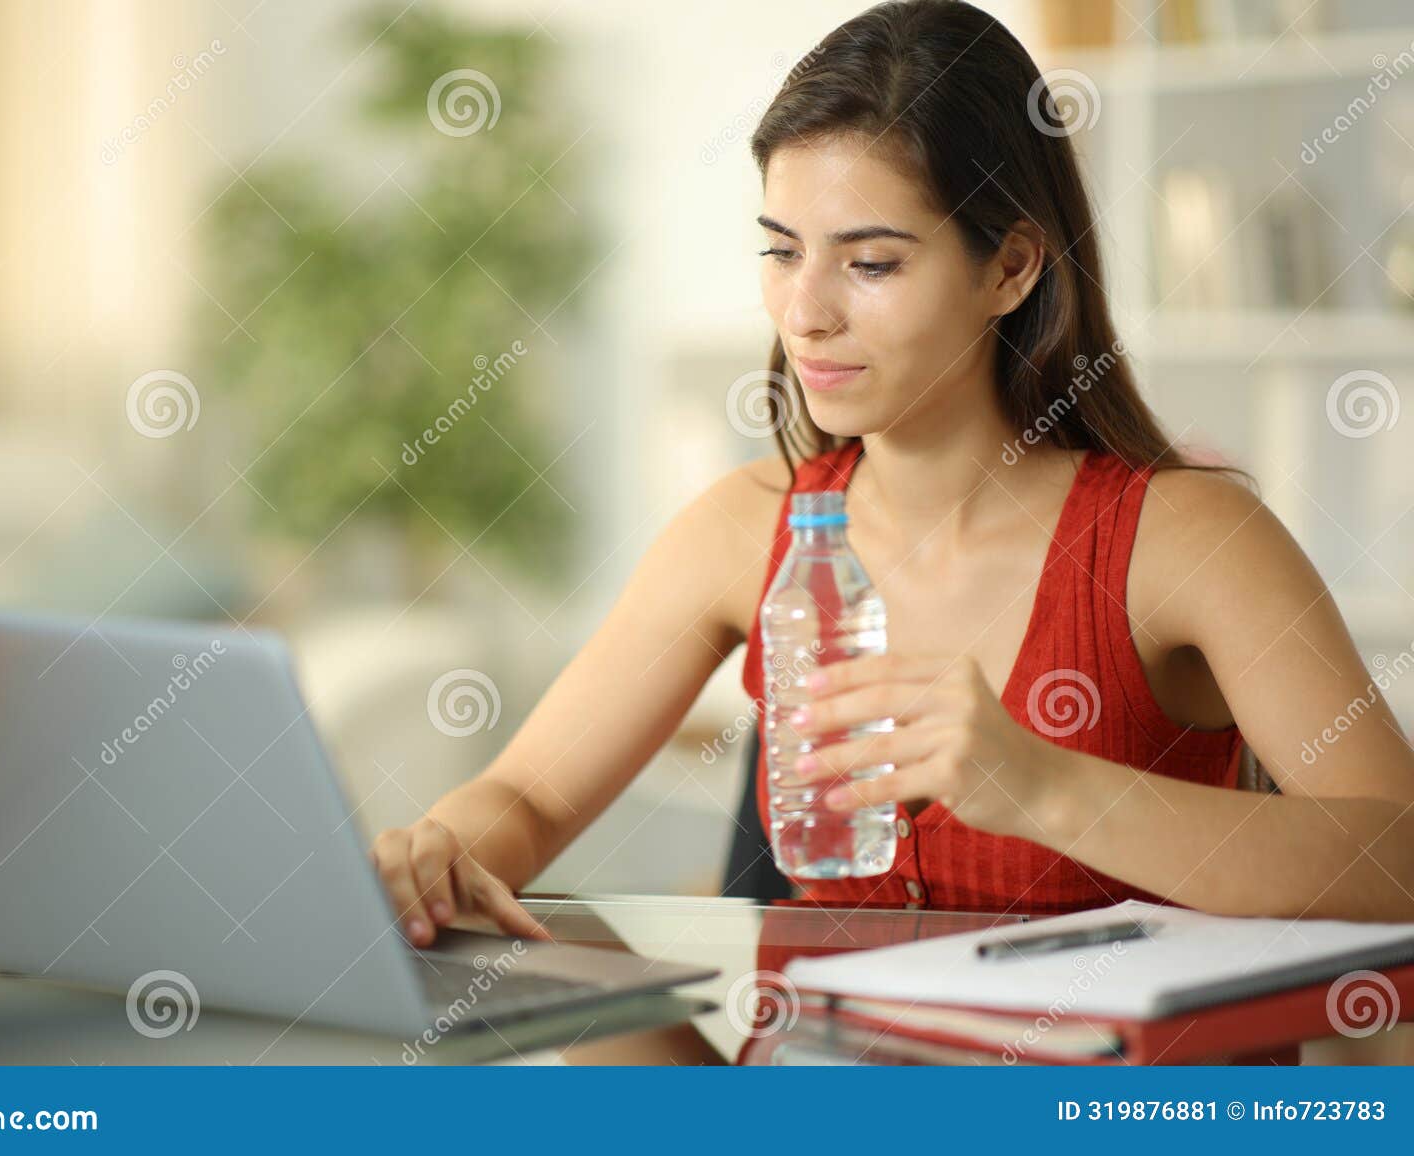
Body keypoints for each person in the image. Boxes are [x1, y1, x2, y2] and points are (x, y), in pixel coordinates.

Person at [371, 0, 1414, 945]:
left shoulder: (1186, 540)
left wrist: (1043, 786)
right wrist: (441, 852)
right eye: (782, 251)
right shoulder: (745, 527)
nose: (807, 311)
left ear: (1008, 267)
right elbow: (531, 798)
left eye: (870, 263)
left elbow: (1397, 858)